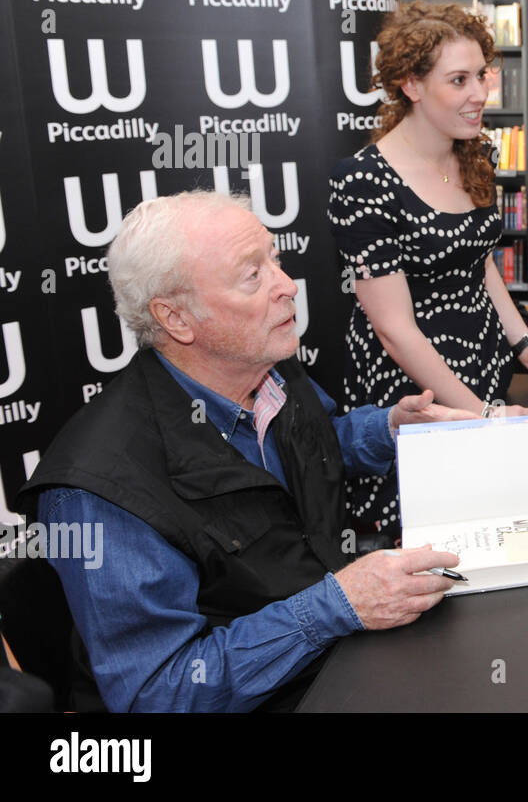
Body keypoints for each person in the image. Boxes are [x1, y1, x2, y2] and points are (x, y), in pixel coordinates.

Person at [17, 191, 477, 712]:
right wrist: (334, 607)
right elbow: (158, 693)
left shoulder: (268, 371)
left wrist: (389, 427)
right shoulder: (101, 491)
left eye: (275, 260)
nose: (286, 287)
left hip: (333, 652)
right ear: (176, 318)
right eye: (252, 276)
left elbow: (315, 447)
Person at [328, 2, 528, 537]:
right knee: (429, 534)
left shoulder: (473, 155)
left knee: (493, 527)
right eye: (458, 79)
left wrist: (522, 344)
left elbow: (478, 257)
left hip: (483, 365)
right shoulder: (363, 182)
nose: (480, 94)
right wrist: (482, 418)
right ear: (411, 85)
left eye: (481, 75)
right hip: (414, 384)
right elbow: (394, 330)